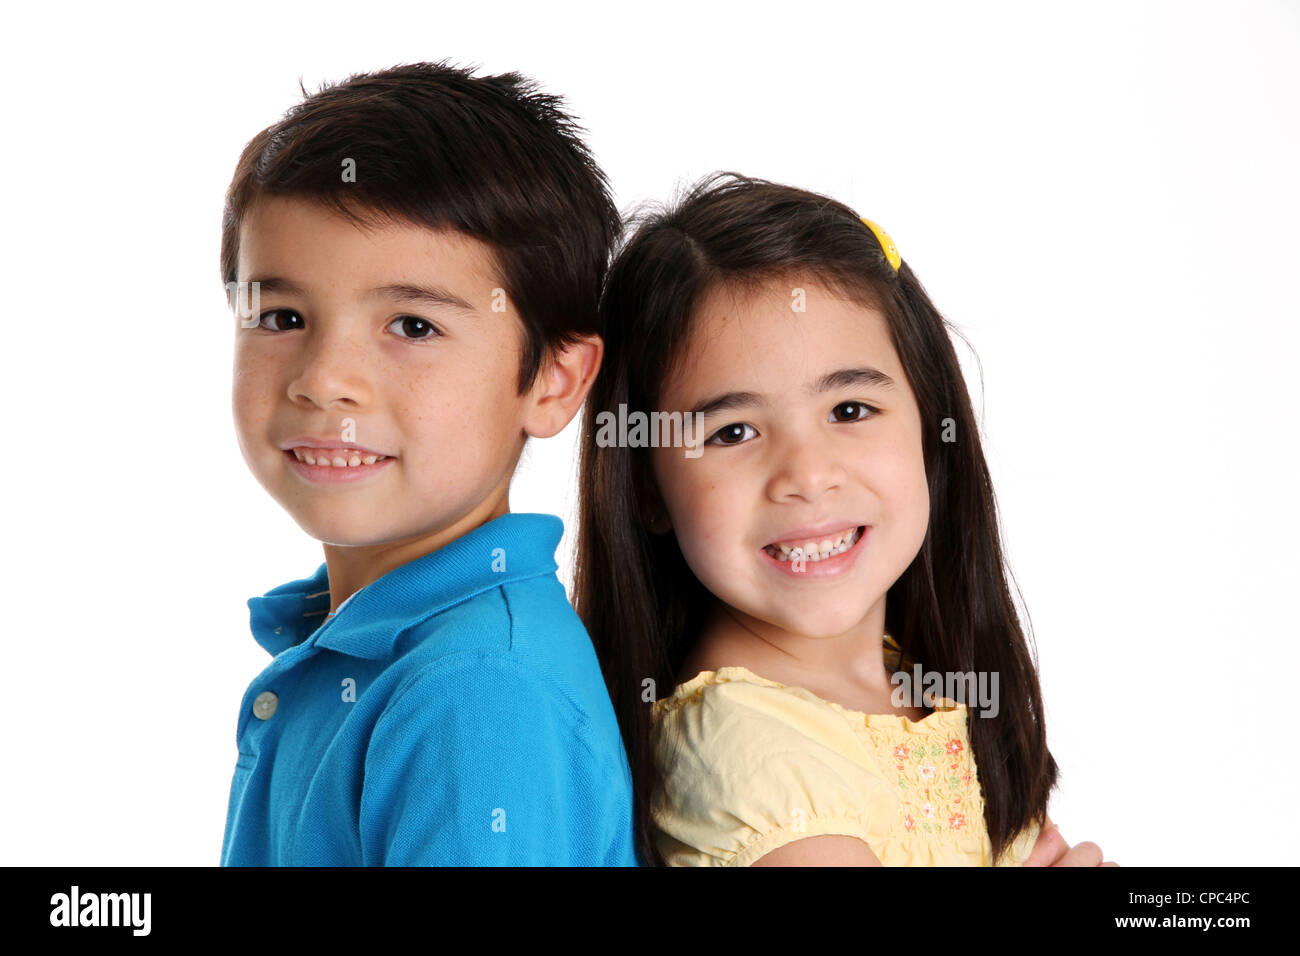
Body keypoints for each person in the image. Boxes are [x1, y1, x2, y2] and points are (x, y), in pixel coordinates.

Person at [574, 172, 1115, 866]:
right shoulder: (755, 753)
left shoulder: (915, 681)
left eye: (850, 411)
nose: (807, 474)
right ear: (647, 487)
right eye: (733, 432)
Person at [218, 62, 638, 866]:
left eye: (411, 326)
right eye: (282, 316)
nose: (323, 380)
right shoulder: (370, 645)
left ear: (554, 380)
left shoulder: (474, 695)